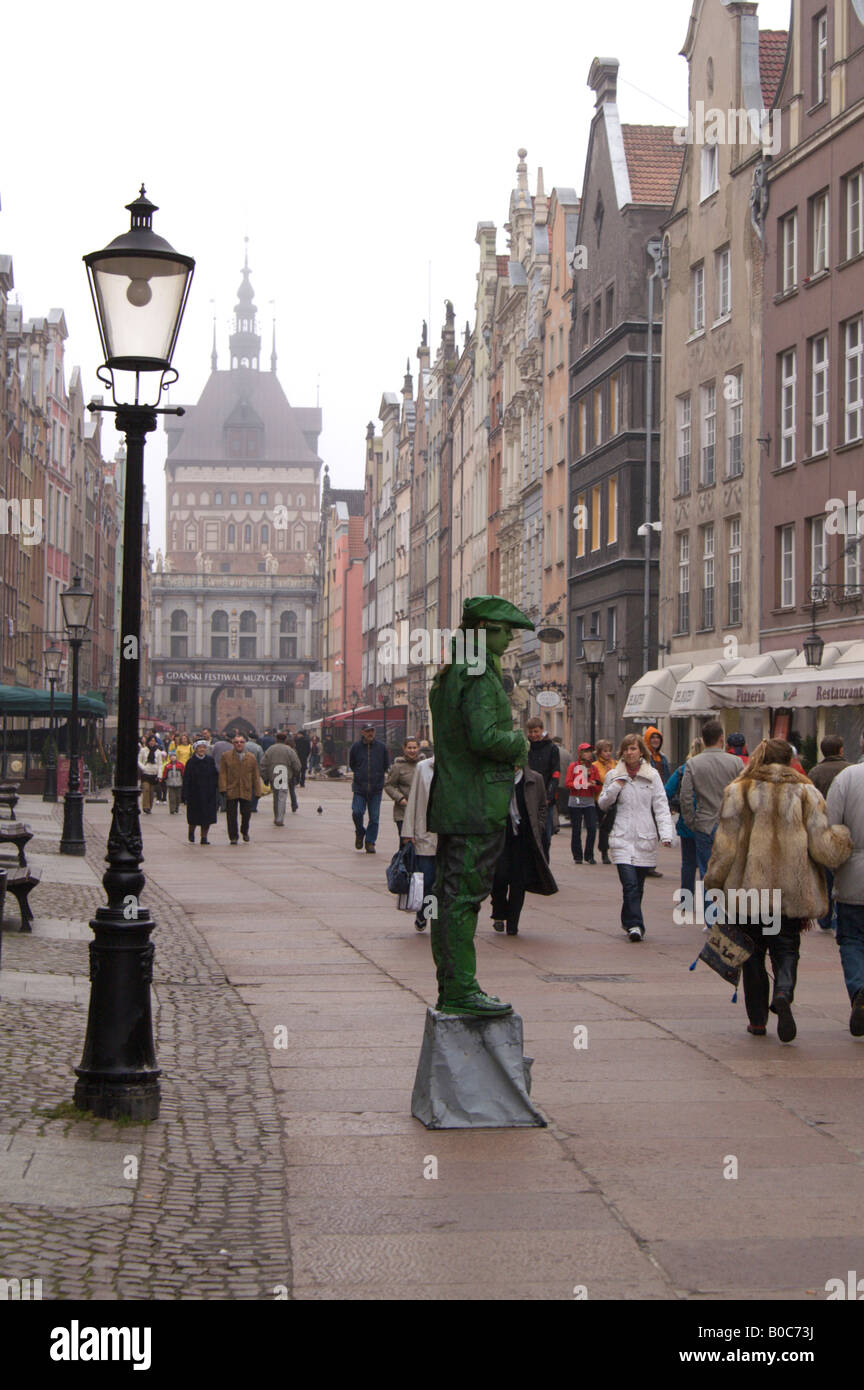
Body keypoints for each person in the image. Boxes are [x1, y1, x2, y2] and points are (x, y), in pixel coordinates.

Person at [426, 595, 533, 1015]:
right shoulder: (479, 675)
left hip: (458, 800)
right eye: (505, 631)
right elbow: (485, 738)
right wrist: (519, 742)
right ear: (485, 631)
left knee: (450, 896)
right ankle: (460, 990)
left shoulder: (454, 671)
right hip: (475, 803)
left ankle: (454, 986)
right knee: (463, 898)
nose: (509, 639)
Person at [707, 739, 851, 1041]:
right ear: (790, 760)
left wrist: (714, 881)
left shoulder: (739, 790)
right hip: (791, 890)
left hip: (748, 891)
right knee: (786, 948)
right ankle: (783, 991)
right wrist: (842, 840)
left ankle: (757, 1022)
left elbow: (725, 846)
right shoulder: (806, 792)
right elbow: (823, 847)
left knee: (753, 954)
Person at [597, 733, 674, 942]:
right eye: (626, 749)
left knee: (638, 886)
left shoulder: (652, 775)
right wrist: (616, 785)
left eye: (634, 748)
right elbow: (603, 803)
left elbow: (661, 805)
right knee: (629, 883)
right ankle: (635, 925)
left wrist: (666, 833)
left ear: (641, 751)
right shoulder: (614, 774)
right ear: (621, 752)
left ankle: (628, 919)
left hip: (644, 837)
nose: (630, 753)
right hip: (621, 836)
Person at [490, 765, 558, 935]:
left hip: (524, 837)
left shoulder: (535, 779)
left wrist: (540, 825)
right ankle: (499, 911)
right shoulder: (496, 776)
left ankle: (513, 923)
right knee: (500, 876)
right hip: (501, 836)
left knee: (518, 881)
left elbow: (543, 806)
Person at [827, 760, 864, 1035]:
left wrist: (834, 866)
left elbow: (831, 829)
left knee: (851, 939)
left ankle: (859, 988)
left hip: (853, 873)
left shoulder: (847, 778)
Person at [680, 719, 743, 878]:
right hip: (730, 823)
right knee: (729, 873)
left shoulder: (693, 764)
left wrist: (691, 821)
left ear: (703, 739)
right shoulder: (736, 762)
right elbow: (744, 792)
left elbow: (685, 796)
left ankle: (709, 903)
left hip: (704, 823)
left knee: (707, 873)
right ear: (721, 738)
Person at [811, 736, 850, 929]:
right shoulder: (849, 770)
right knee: (843, 873)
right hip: (845, 829)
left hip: (822, 829)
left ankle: (824, 917)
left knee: (825, 875)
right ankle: (837, 917)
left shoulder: (815, 772)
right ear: (841, 750)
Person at [664, 738, 704, 919]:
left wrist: (675, 806)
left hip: (687, 822)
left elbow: (667, 791)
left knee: (688, 863)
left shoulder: (682, 770)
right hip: (710, 823)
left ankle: (686, 900)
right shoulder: (714, 769)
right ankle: (708, 902)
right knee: (707, 864)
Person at [402, 754, 437, 931]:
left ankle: (434, 917)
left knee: (441, 882)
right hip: (425, 833)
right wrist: (408, 831)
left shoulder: (458, 767)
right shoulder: (423, 767)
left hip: (449, 836)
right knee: (428, 879)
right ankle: (423, 913)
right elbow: (414, 799)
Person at [348, 723, 390, 852]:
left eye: (372, 731)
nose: (370, 733)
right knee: (357, 812)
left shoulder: (381, 747)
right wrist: (360, 775)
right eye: (367, 731)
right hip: (360, 787)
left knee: (374, 817)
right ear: (362, 733)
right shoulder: (355, 747)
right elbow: (352, 764)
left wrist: (378, 777)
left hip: (376, 787)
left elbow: (385, 765)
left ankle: (370, 842)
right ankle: (360, 831)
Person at [218, 733, 264, 844]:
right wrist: (223, 788)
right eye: (236, 742)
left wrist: (258, 791)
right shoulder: (226, 756)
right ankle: (233, 836)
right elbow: (223, 773)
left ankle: (244, 831)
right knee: (231, 815)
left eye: (241, 742)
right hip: (232, 788)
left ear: (245, 744)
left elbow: (255, 775)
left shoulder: (251, 757)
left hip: (246, 788)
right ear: (233, 744)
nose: (239, 744)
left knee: (246, 814)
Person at [526, 717, 560, 857]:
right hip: (528, 795)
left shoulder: (552, 748)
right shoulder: (526, 748)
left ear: (542, 730)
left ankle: (545, 862)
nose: (534, 735)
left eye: (536, 731)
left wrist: (549, 796)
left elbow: (555, 773)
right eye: (531, 732)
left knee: (545, 835)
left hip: (546, 797)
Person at [566, 744, 602, 863]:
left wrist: (593, 784)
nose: (589, 754)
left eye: (590, 751)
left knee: (592, 828)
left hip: (588, 801)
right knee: (576, 829)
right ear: (580, 753)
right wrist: (580, 784)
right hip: (575, 800)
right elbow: (568, 783)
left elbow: (598, 786)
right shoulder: (573, 766)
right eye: (586, 751)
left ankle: (589, 855)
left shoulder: (593, 768)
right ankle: (577, 856)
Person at [384, 736, 422, 844]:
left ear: (418, 748)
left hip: (420, 812)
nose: (412, 750)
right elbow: (389, 785)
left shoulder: (423, 765)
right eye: (409, 748)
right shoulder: (398, 766)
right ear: (404, 749)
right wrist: (400, 798)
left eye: (414, 748)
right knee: (405, 844)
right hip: (403, 812)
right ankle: (402, 861)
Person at [260, 733, 301, 826]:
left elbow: (263, 764)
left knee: (276, 797)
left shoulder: (270, 750)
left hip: (273, 775)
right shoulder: (289, 750)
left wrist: (265, 777)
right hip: (285, 776)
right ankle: (280, 818)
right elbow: (297, 765)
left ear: (276, 739)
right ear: (285, 740)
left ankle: (277, 816)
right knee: (282, 797)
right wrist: (294, 774)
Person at [182, 740, 219, 844]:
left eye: (204, 747)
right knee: (194, 817)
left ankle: (204, 837)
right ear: (196, 749)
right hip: (194, 793)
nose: (202, 749)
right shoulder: (190, 762)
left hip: (208, 793)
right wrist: (185, 794)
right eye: (200, 748)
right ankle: (191, 832)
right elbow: (186, 779)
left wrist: (216, 788)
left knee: (207, 818)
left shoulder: (210, 760)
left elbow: (215, 775)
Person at [591, 740, 617, 863]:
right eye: (605, 751)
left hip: (613, 800)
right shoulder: (595, 766)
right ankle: (604, 851)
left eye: (609, 751)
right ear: (599, 752)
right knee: (603, 827)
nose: (608, 753)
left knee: (612, 826)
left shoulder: (615, 764)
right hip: (599, 799)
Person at [137, 736, 165, 814]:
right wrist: (143, 768)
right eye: (151, 741)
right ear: (148, 741)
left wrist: (159, 775)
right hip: (146, 773)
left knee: (151, 792)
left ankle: (149, 807)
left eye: (154, 741)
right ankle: (145, 806)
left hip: (154, 774)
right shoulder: (143, 750)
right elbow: (139, 761)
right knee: (146, 789)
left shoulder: (158, 752)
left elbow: (160, 764)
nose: (152, 742)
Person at [162, 749, 186, 814]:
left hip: (179, 783)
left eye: (174, 756)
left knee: (178, 797)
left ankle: (176, 808)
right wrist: (163, 779)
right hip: (170, 783)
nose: (173, 757)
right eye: (171, 756)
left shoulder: (181, 765)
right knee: (172, 797)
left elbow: (184, 774)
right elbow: (164, 774)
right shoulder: (167, 766)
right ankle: (172, 809)